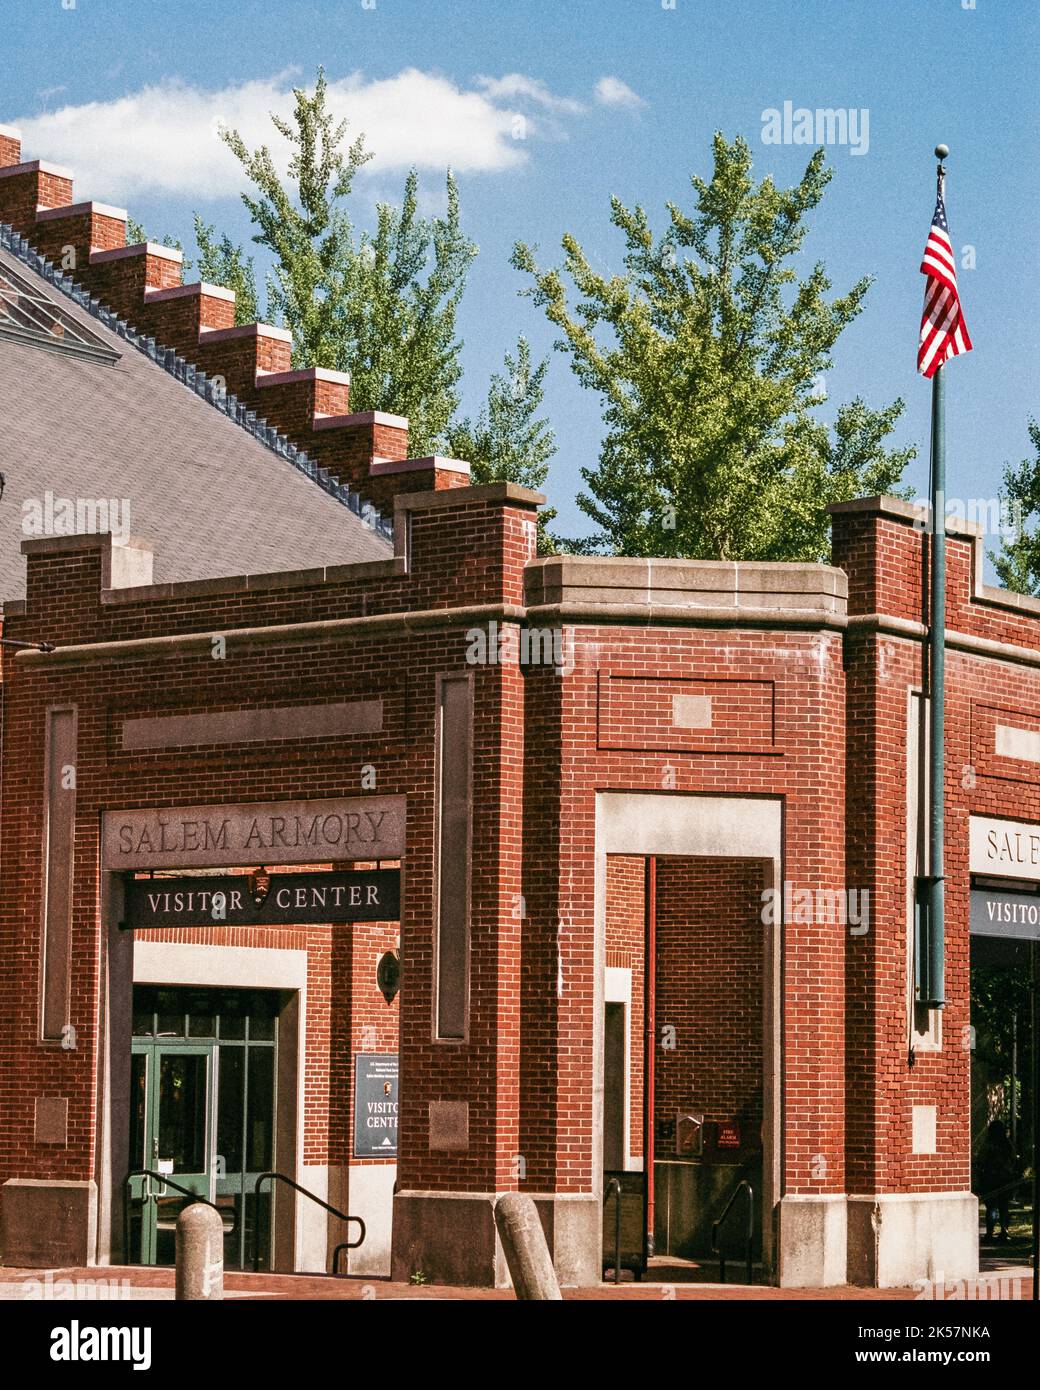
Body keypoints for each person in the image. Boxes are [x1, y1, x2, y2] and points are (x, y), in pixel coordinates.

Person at [977, 1120, 1017, 1242]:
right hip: (1005, 1178)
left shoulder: (988, 1144)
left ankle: (990, 1233)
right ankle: (1004, 1231)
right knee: (1004, 1206)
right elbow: (1014, 1159)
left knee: (991, 1207)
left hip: (990, 1179)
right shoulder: (1007, 1144)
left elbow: (980, 1160)